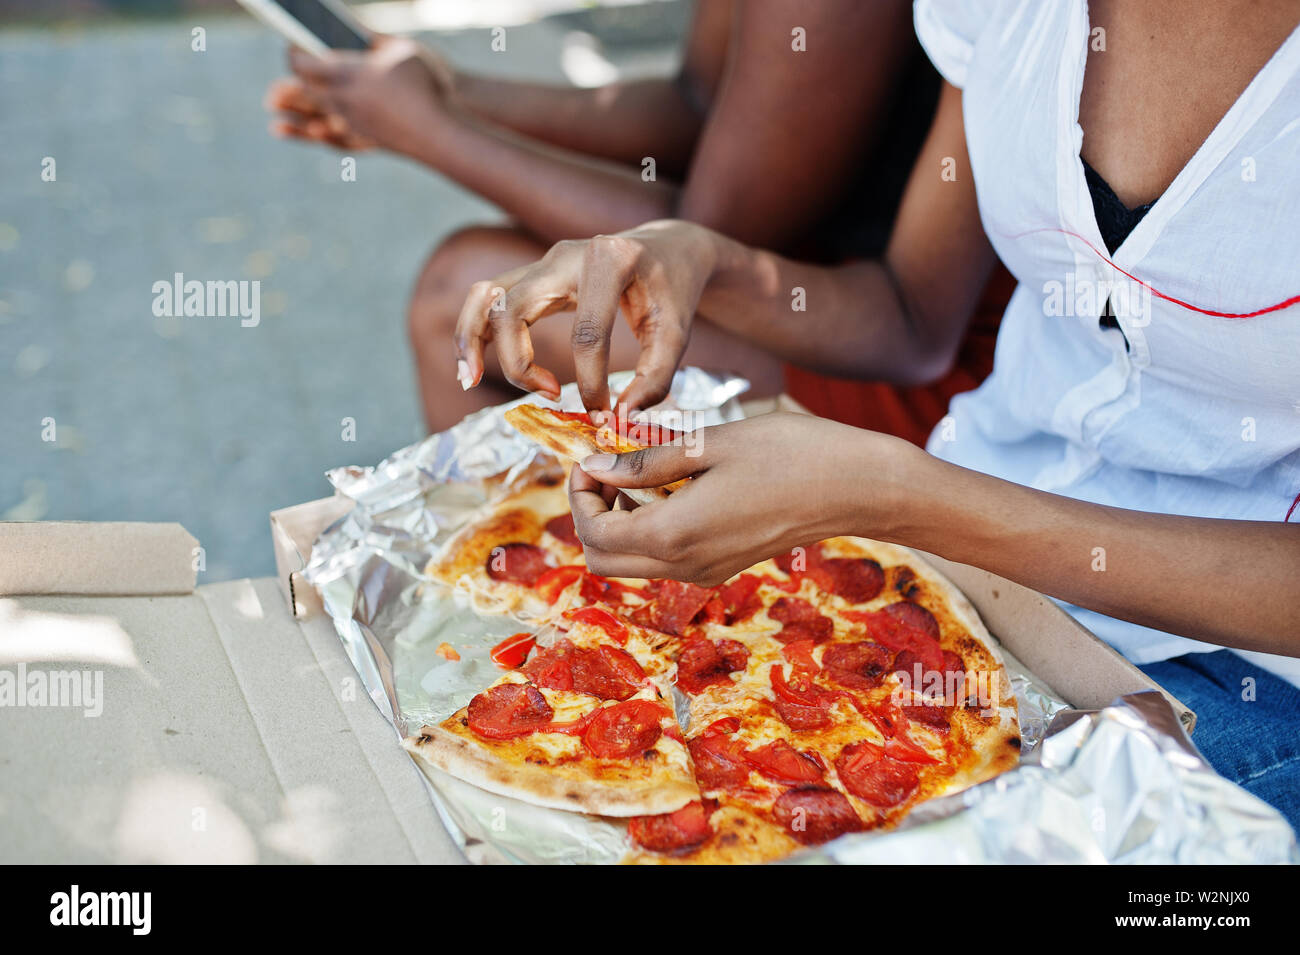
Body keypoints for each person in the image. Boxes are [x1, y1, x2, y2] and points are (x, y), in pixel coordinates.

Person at [452, 0, 1300, 829]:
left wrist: (904, 497)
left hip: (1239, 681)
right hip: (940, 552)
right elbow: (909, 319)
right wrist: (709, 260)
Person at [265, 0, 1007, 437]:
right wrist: (449, 93)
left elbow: (699, 236)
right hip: (822, 283)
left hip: (934, 375)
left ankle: (536, 617)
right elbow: (695, 108)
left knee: (459, 293)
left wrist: (430, 132)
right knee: (479, 283)